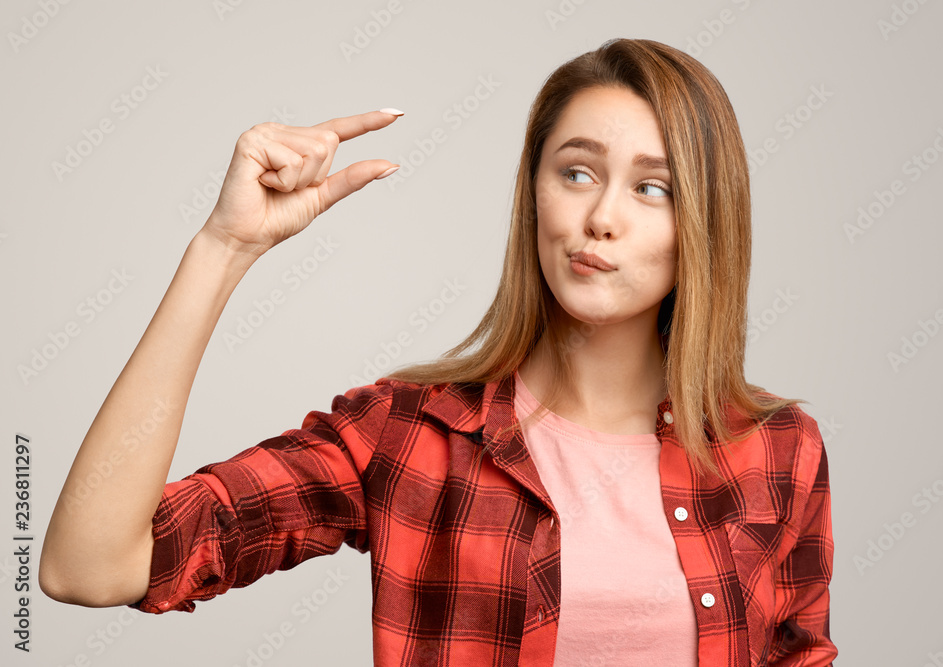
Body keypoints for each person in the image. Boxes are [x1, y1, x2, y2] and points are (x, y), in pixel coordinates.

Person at [40, 38, 837, 666]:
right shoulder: (409, 434)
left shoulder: (776, 449)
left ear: (704, 223)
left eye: (651, 187)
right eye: (577, 172)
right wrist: (223, 248)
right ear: (534, 192)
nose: (601, 217)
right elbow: (91, 565)